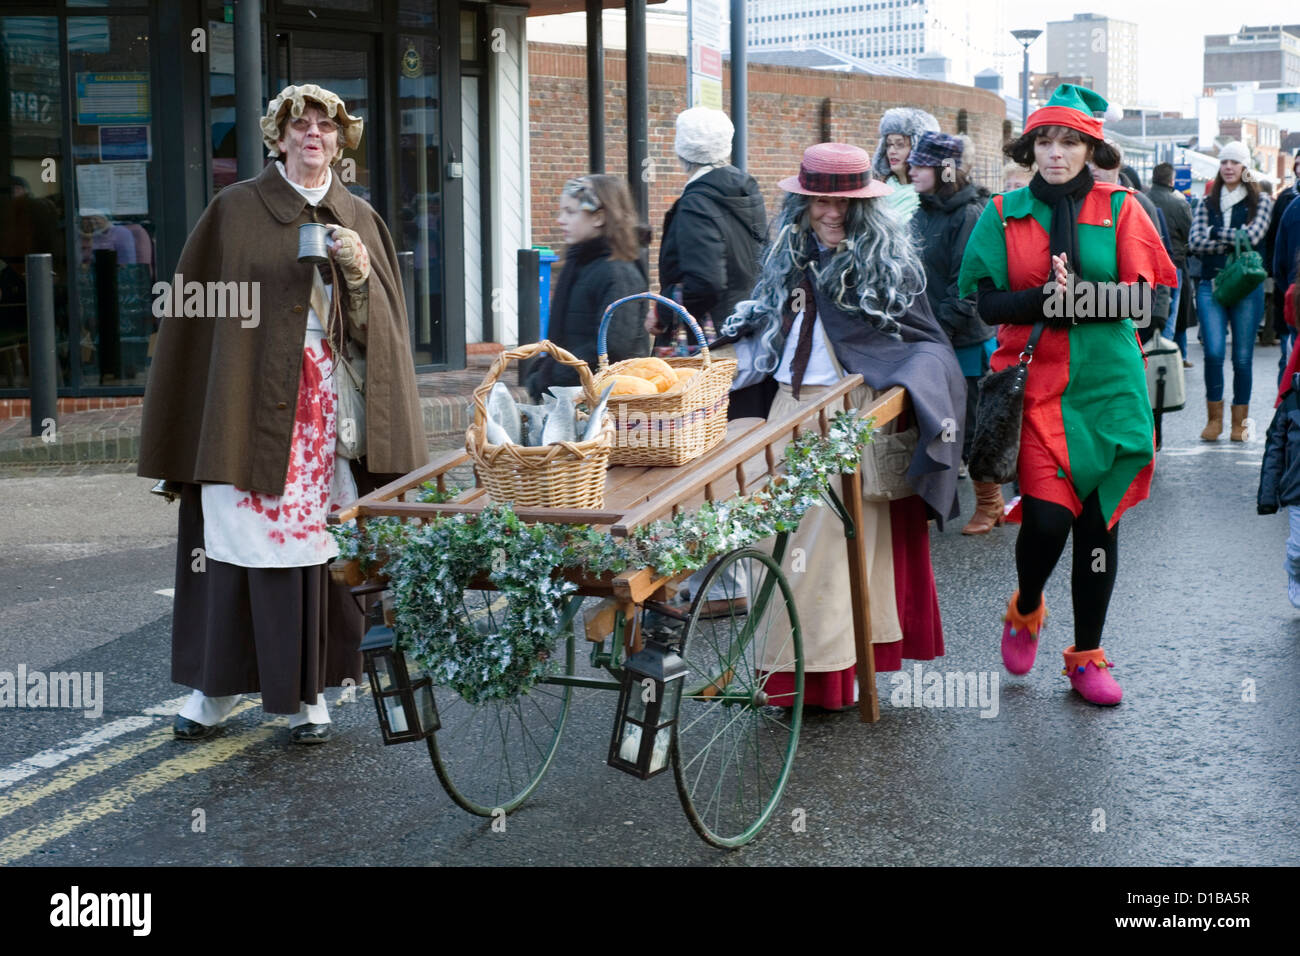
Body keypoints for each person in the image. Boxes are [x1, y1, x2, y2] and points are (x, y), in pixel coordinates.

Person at [138, 84, 428, 744]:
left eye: (326, 125)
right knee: (230, 544)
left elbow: (379, 334)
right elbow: (193, 322)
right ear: (278, 136)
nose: (313, 135)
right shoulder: (235, 212)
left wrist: (356, 276)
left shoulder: (357, 214)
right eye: (300, 124)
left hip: (321, 415)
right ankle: (212, 692)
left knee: (316, 548)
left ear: (339, 140)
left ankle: (309, 696)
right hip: (243, 412)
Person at [722, 142, 965, 709]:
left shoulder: (891, 268)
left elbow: (928, 346)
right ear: (801, 205)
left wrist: (908, 386)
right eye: (817, 203)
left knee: (823, 548)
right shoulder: (789, 257)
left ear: (866, 208)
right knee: (768, 541)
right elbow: (770, 338)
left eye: (844, 205)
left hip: (847, 421)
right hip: (783, 411)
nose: (830, 214)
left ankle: (820, 678)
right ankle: (782, 671)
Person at [957, 84, 1176, 706]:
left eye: (1070, 141)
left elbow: (1145, 305)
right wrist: (1044, 301)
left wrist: (1076, 296)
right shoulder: (1002, 213)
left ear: (1089, 148)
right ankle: (1026, 606)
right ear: (1030, 149)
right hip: (1039, 387)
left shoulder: (1124, 208)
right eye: (1045, 142)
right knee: (1048, 521)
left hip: (1109, 386)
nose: (1057, 153)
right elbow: (988, 304)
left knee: (1098, 526)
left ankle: (1086, 656)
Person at [646, 107, 770, 418]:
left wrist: (662, 311)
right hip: (746, 330)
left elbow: (706, 281)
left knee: (699, 425)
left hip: (711, 340)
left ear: (682, 151)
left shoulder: (697, 203)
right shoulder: (745, 194)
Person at [906, 131, 999, 533]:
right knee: (934, 423)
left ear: (944, 170)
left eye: (919, 163)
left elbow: (969, 285)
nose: (910, 169)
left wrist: (937, 330)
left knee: (973, 425)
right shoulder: (920, 211)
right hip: (929, 337)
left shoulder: (970, 214)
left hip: (963, 339)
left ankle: (989, 502)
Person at [525, 174, 648, 399]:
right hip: (574, 392)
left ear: (599, 217)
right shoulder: (581, 263)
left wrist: (554, 374)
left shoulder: (617, 272)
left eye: (571, 212)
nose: (561, 220)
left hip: (600, 400)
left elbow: (614, 346)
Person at [1186, 141, 1274, 441]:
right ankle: (1215, 419)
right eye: (1224, 162)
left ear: (1245, 167)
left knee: (1242, 359)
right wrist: (1227, 238)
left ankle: (1240, 423)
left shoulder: (1261, 201)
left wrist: (1214, 233)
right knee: (1212, 352)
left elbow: (1253, 236)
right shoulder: (1205, 202)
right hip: (1211, 283)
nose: (1228, 167)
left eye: (1235, 162)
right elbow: (1194, 242)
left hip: (1247, 288)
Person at [1090, 145, 1175, 347]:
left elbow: (1157, 258)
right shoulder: (1077, 200)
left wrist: (1158, 314)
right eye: (1090, 162)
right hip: (1090, 308)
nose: (1094, 169)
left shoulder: (1139, 202)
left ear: (1118, 165)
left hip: (1132, 309)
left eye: (1102, 163)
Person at [1258, 356, 1300, 609]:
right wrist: (1267, 496)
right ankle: (1295, 572)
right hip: (1297, 491)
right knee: (1298, 549)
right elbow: (1274, 450)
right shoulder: (1291, 403)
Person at [1147, 162, 1193, 362]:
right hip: (1174, 262)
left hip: (1147, 263)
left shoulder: (1143, 199)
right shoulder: (1179, 201)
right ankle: (1169, 359)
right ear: (1171, 180)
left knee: (1150, 311)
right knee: (1172, 312)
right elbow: (1189, 233)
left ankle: (1154, 355)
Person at [871, 107, 940, 223]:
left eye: (900, 144)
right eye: (888, 144)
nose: (891, 151)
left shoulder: (930, 194)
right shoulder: (880, 188)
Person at [1269, 153, 1300, 377]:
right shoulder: (1289, 204)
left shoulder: (1293, 207)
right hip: (1294, 294)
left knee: (1292, 364)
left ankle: (1288, 408)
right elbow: (1276, 254)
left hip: (1294, 293)